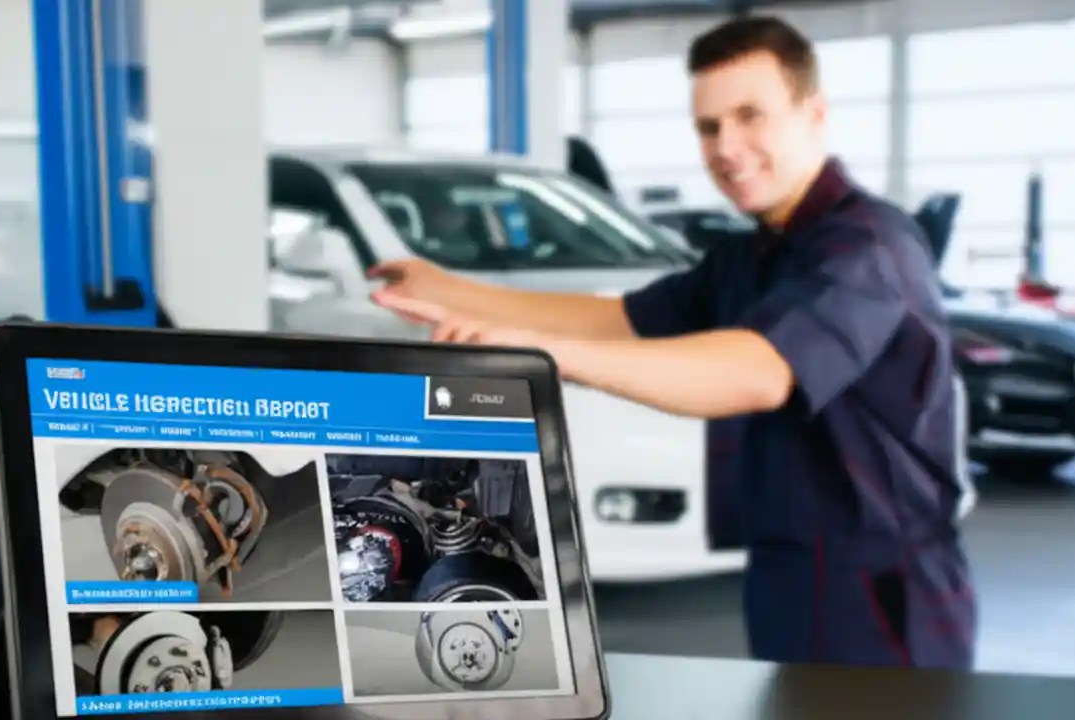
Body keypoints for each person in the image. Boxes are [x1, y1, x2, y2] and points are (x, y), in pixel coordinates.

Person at [367, 15, 977, 670]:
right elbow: (617, 319)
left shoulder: (868, 250)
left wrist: (535, 354)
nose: (728, 147)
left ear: (814, 114)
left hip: (884, 597)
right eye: (710, 127)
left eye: (751, 116)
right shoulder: (752, 256)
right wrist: (451, 289)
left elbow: (757, 371)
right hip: (791, 576)